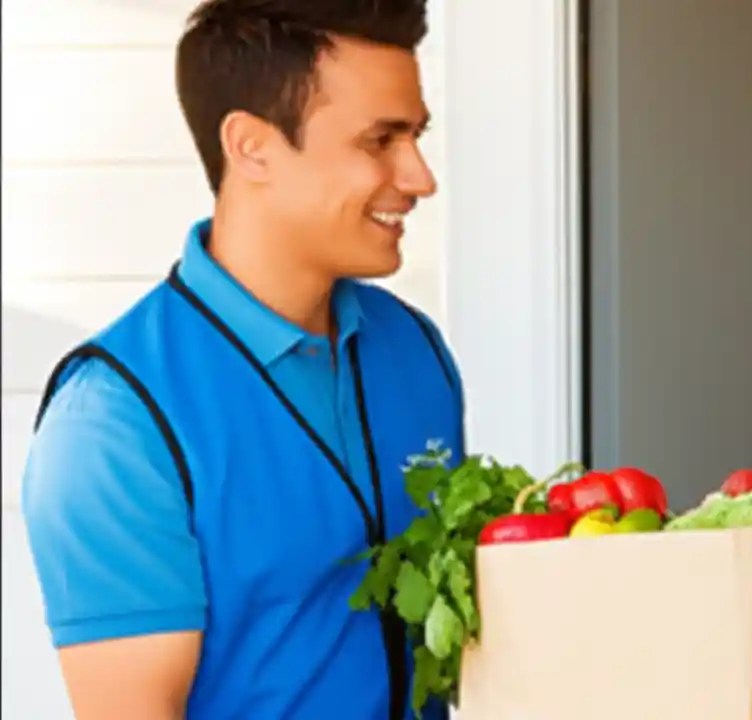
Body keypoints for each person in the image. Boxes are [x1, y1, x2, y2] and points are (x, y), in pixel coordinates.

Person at [20, 1, 459, 718]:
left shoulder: (415, 352)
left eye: (415, 135)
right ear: (251, 146)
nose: (419, 177)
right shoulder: (114, 420)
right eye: (381, 140)